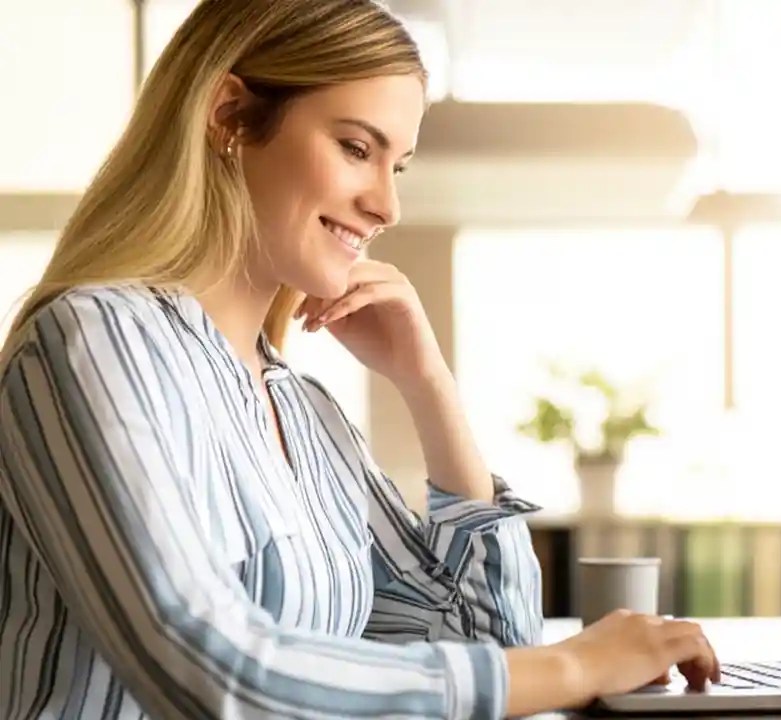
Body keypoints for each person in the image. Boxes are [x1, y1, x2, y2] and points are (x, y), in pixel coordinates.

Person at [0, 1, 719, 717]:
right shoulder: (91, 341)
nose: (386, 205)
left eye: (398, 165)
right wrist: (573, 663)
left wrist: (427, 384)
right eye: (356, 148)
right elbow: (209, 669)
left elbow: (490, 643)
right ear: (229, 116)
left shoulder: (302, 411)